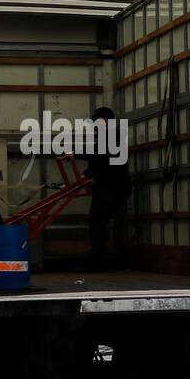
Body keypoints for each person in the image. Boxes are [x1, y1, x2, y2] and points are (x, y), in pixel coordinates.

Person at [80, 106, 131, 269]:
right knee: (97, 221)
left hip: (114, 188)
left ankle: (97, 261)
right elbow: (99, 162)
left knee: (97, 220)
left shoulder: (113, 136)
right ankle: (98, 259)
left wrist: (74, 153)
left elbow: (98, 154)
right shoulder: (107, 137)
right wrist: (86, 174)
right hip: (108, 187)